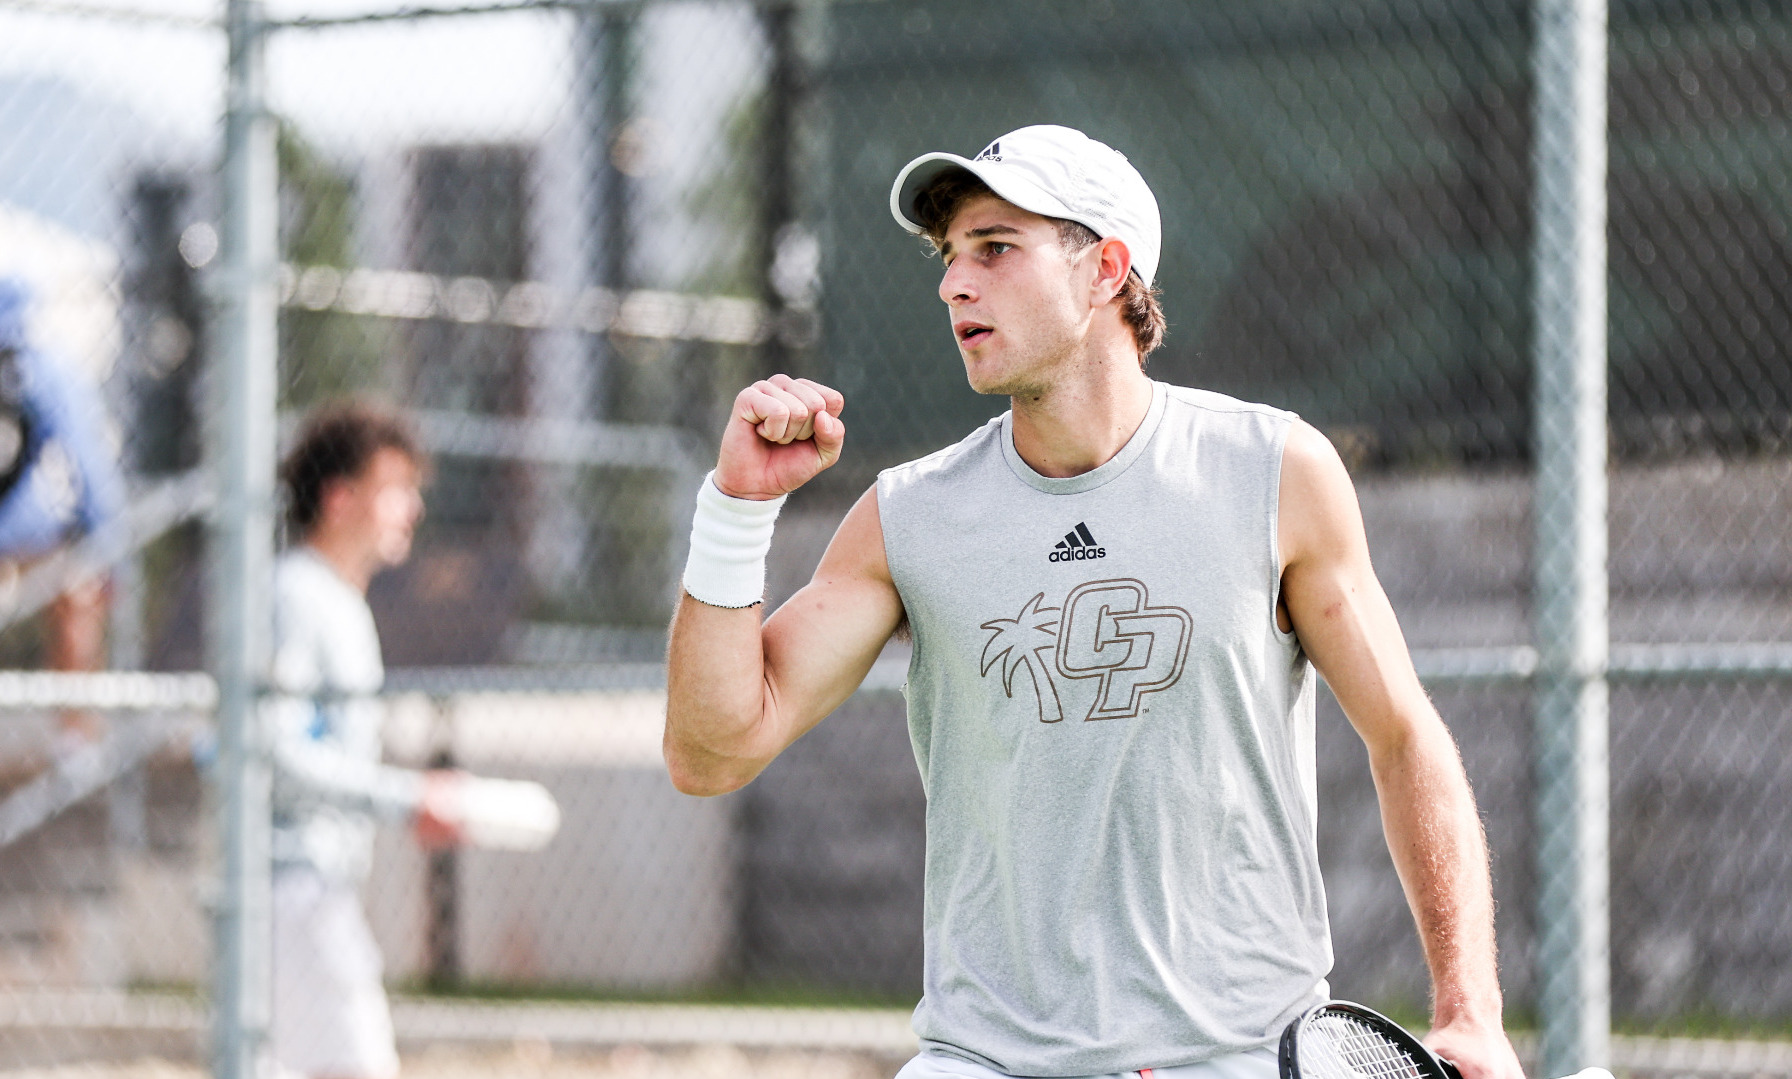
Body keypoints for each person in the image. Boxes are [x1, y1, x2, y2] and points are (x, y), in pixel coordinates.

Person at [664, 125, 1526, 1079]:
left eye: (995, 248)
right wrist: (737, 509)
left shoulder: (1276, 472)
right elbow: (712, 749)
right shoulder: (908, 517)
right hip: (985, 1063)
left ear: (1105, 269)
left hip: (1241, 1057)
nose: (955, 284)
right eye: (952, 257)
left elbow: (1405, 736)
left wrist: (1470, 1010)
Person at [268, 401, 463, 1079]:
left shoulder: (334, 600)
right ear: (340, 497)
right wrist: (407, 796)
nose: (410, 509)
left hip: (311, 886)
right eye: (395, 491)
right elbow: (273, 749)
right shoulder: (296, 595)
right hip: (290, 887)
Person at [0, 278, 124, 742]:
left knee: (77, 592)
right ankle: (76, 743)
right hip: (33, 542)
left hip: (33, 547)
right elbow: (88, 463)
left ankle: (76, 743)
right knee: (80, 592)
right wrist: (110, 549)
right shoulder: (45, 367)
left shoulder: (37, 369)